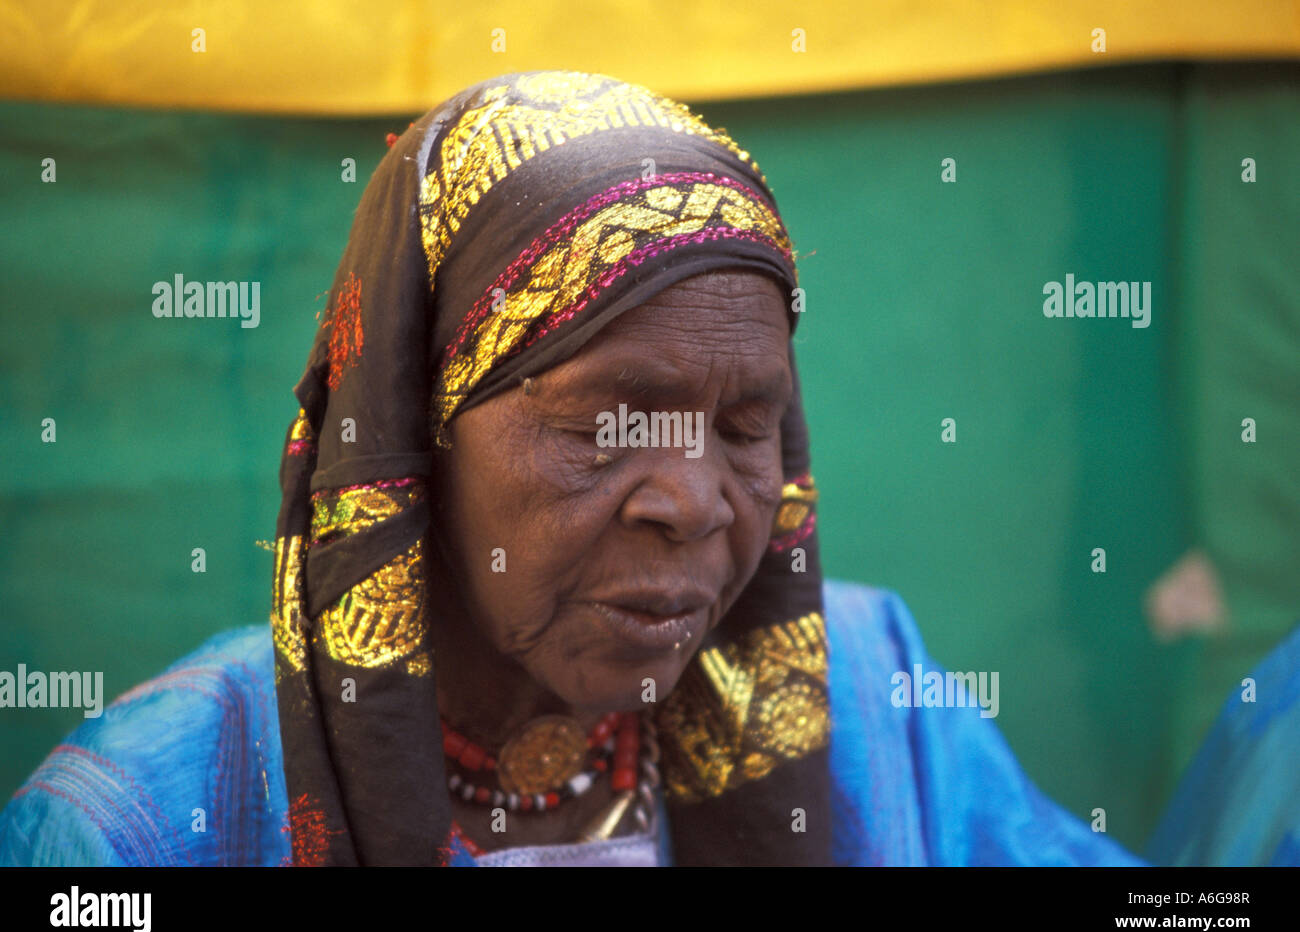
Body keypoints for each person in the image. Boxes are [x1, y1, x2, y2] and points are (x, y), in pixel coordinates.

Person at [3, 70, 1298, 867]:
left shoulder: (869, 697)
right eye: (609, 419)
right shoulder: (145, 819)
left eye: (748, 427)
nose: (691, 502)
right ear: (409, 438)